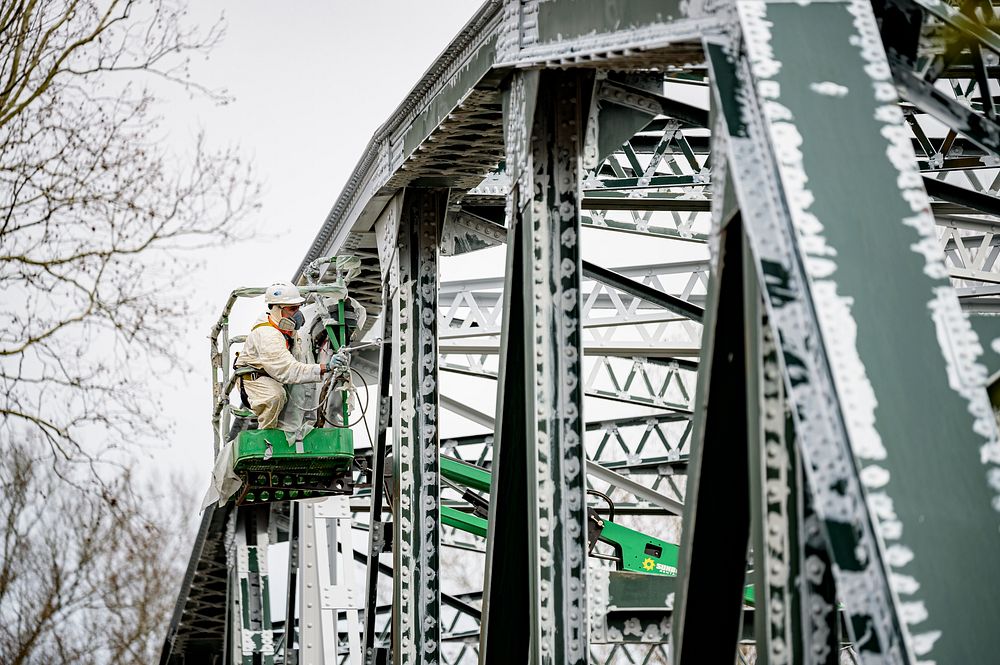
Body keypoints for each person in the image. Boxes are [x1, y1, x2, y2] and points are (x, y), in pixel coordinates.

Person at [234, 281, 341, 430]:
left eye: (298, 308)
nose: (297, 314)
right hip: (255, 381)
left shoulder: (285, 330)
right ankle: (267, 436)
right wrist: (326, 367)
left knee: (303, 388)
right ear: (277, 309)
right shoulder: (267, 335)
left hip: (273, 375)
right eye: (292, 309)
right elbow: (288, 370)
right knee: (275, 396)